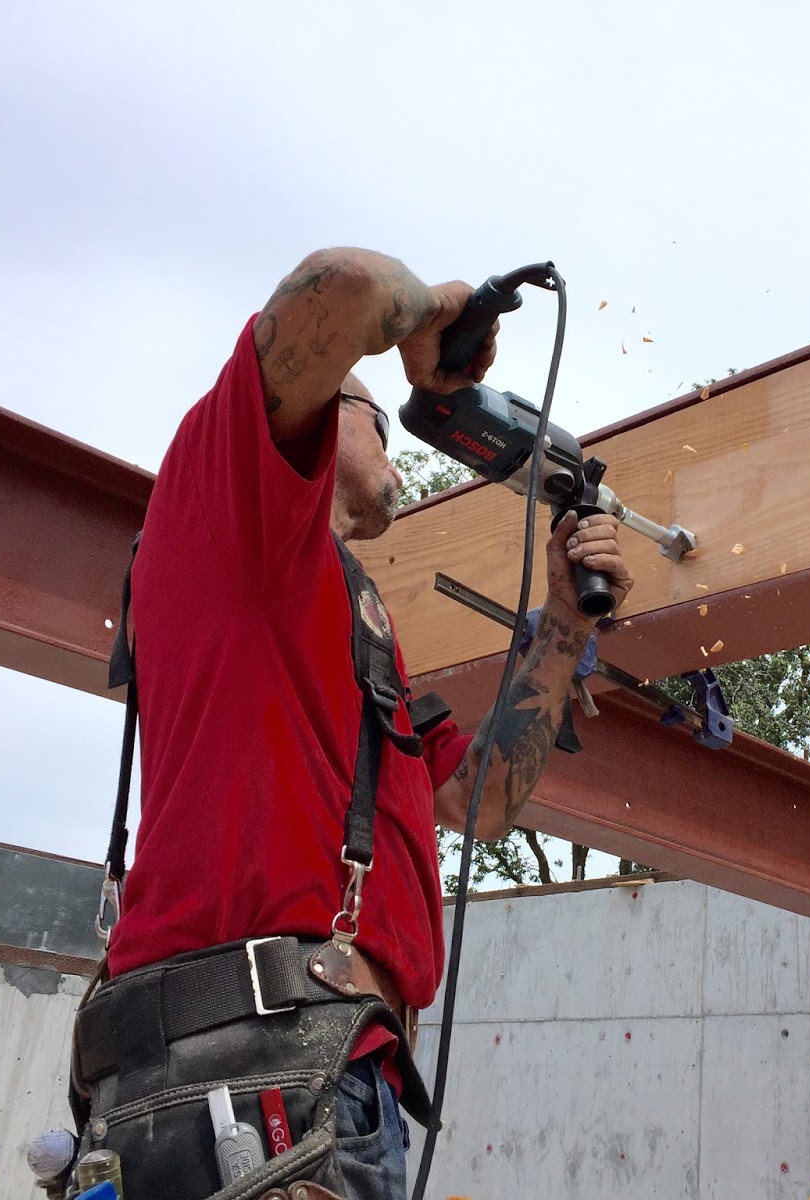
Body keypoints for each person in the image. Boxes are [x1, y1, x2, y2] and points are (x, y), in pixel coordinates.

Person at [67, 248, 634, 1200]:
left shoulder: (346, 621)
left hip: (301, 1065)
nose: (402, 450)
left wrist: (567, 625)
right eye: (381, 422)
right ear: (330, 416)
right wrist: (431, 321)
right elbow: (345, 287)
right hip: (256, 1067)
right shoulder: (229, 492)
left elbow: (480, 800)